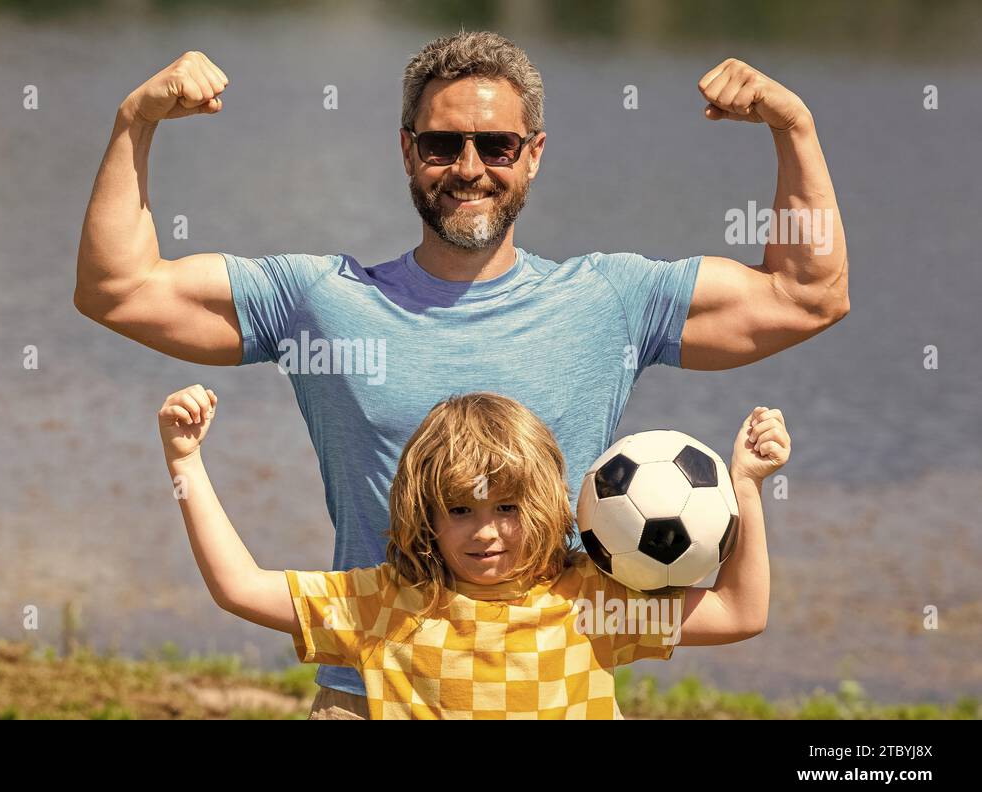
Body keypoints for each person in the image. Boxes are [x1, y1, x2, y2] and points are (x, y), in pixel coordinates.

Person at [76, 31, 847, 716]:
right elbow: (118, 289)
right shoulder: (322, 301)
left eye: (497, 146)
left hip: (550, 687)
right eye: (443, 145)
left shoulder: (610, 300)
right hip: (369, 695)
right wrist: (134, 121)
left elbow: (807, 295)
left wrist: (793, 128)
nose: (469, 168)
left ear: (534, 154)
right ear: (409, 150)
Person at [157, 383, 790, 719]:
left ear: (544, 504)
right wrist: (185, 461)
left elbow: (741, 613)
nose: (485, 532)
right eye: (460, 510)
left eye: (507, 508)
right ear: (425, 514)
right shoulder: (385, 606)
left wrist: (746, 489)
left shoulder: (593, 601)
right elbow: (239, 586)